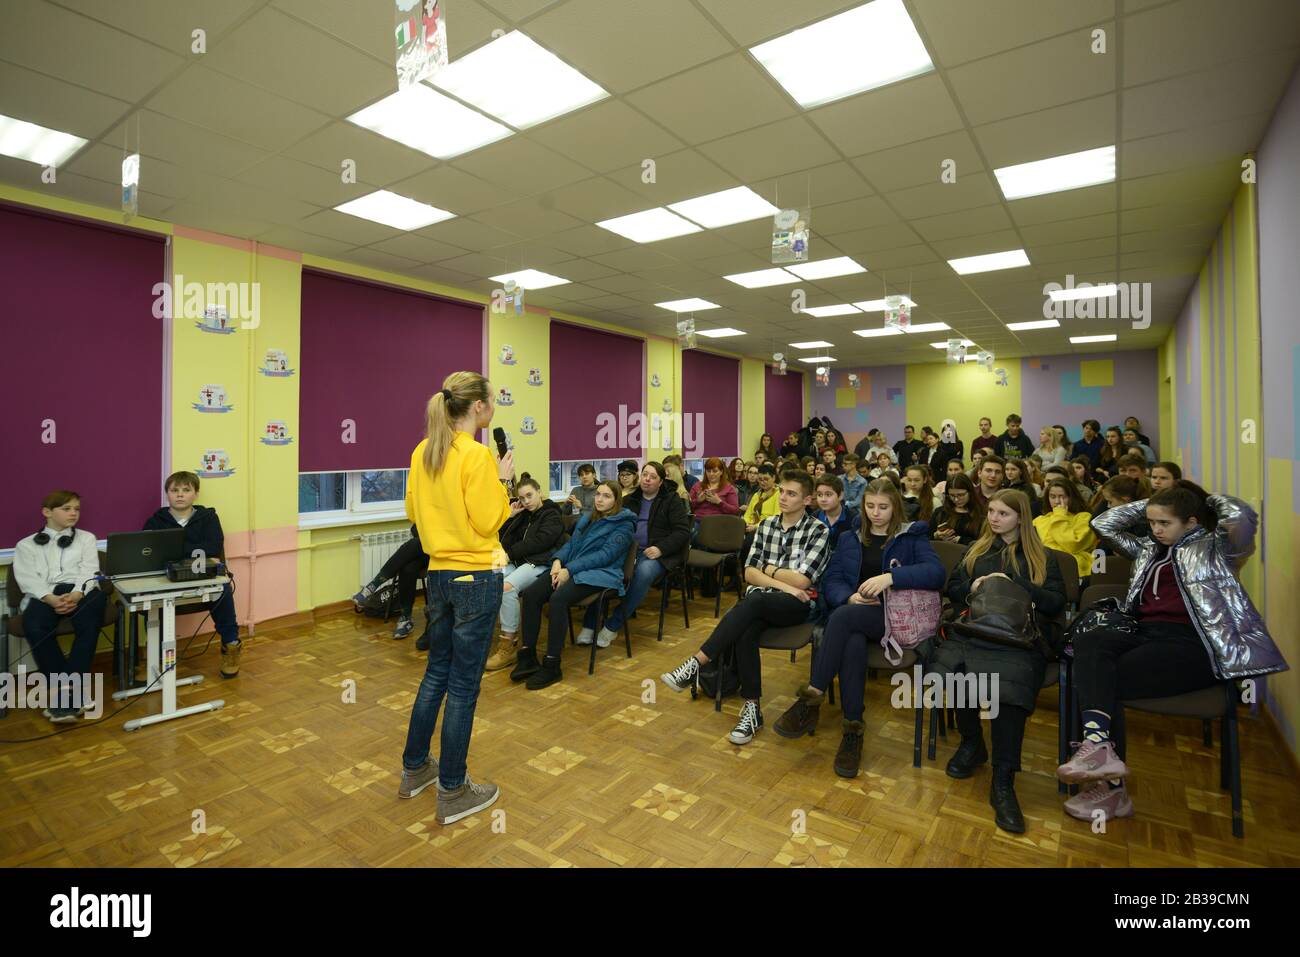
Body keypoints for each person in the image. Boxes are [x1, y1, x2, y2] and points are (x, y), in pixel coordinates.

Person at [1059, 483, 1288, 822]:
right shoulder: (1147, 549)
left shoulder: (1216, 549)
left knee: (1101, 683)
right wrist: (1153, 506)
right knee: (1090, 643)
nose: (1156, 530)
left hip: (1194, 645)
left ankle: (1111, 790)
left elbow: (1241, 516)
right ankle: (1100, 750)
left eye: (1164, 523)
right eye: (1152, 523)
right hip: (1145, 633)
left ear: (1192, 521)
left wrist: (1196, 500)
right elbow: (1103, 524)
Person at [399, 373, 513, 825]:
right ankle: (453, 789)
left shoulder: (422, 451)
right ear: (480, 407)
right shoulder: (478, 454)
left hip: (438, 574)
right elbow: (487, 521)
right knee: (464, 687)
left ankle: (414, 770)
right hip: (474, 576)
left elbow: (413, 513)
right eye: (494, 399)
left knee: (436, 676)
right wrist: (502, 483)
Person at [773, 479, 945, 776]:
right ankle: (853, 730)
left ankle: (812, 696)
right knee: (850, 635)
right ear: (862, 507)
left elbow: (935, 573)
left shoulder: (911, 535)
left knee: (842, 618)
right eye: (870, 506)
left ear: (895, 507)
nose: (876, 513)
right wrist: (848, 596)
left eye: (883, 507)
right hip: (857, 616)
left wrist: (892, 578)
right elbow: (832, 580)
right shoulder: (850, 538)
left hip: (894, 619)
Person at [660, 470, 831, 745]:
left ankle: (696, 663)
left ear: (808, 499)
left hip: (796, 607)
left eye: (791, 494)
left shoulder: (818, 530)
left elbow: (803, 579)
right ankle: (752, 710)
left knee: (752, 602)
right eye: (782, 491)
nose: (783, 497)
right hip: (768, 599)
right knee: (746, 627)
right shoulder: (766, 526)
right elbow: (748, 574)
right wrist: (785, 583)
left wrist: (771, 573)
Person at [932, 490, 1067, 833]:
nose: (994, 518)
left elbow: (1055, 603)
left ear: (1021, 518)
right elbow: (953, 588)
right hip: (976, 629)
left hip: (1019, 637)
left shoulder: (1042, 557)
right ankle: (972, 742)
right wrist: (973, 585)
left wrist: (1016, 586)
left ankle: (1003, 778)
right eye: (991, 511)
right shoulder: (977, 550)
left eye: (1003, 513)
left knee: (1009, 685)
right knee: (956, 668)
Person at [510, 481, 635, 688]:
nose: (600, 499)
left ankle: (552, 665)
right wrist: (558, 560)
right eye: (598, 494)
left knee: (558, 600)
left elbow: (605, 556)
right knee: (532, 594)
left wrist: (570, 569)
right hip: (574, 569)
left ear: (616, 500)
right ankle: (528, 656)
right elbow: (571, 545)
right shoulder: (588, 518)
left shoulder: (624, 525)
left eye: (606, 496)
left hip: (602, 574)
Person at [12, 490, 107, 723]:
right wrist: (51, 598)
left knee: (90, 622)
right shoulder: (26, 545)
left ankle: (64, 697)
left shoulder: (86, 538)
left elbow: (89, 571)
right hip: (45, 594)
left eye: (76, 509)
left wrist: (76, 594)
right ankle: (72, 693)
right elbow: (27, 578)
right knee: (34, 626)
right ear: (47, 512)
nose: (73, 513)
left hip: (81, 590)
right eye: (66, 509)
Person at [576, 463, 691, 649]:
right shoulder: (630, 499)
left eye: (652, 477)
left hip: (657, 553)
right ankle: (590, 624)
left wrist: (661, 548)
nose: (647, 479)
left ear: (661, 481)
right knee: (602, 567)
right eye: (645, 474)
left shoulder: (671, 500)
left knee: (643, 572)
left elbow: (682, 532)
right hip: (627, 549)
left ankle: (613, 625)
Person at [145, 471, 244, 668]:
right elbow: (148, 552)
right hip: (167, 578)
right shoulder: (156, 520)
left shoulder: (208, 518)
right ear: (167, 494)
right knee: (148, 599)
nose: (180, 495)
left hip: (201, 575)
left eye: (186, 490)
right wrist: (192, 553)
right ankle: (158, 656)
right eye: (174, 490)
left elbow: (213, 548)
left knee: (223, 590)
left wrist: (176, 554)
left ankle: (231, 644)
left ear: (196, 494)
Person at [484, 477, 565, 672]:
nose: (526, 501)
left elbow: (541, 542)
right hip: (518, 562)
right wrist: (510, 517)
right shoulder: (523, 514)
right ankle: (482, 634)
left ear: (539, 492)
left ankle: (508, 646)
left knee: (506, 588)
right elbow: (502, 538)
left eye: (530, 495)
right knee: (489, 579)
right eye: (522, 498)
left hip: (540, 564)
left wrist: (509, 554)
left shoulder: (551, 514)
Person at [1032, 478, 1097, 579]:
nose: (1057, 501)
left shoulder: (1084, 517)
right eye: (1052, 497)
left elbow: (1073, 545)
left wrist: (1059, 515)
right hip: (1041, 570)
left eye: (1062, 497)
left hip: (1073, 572)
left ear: (1072, 497)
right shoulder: (1039, 520)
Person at [929, 473, 985, 546]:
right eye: (952, 495)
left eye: (961, 495)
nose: (956, 499)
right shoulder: (940, 512)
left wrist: (960, 540)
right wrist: (936, 535)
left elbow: (984, 543)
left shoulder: (981, 514)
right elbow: (926, 537)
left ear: (970, 492)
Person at [813, 474, 859, 550]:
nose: (823, 499)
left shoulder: (853, 518)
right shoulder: (814, 518)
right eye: (819, 495)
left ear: (840, 495)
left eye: (828, 494)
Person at [690, 457, 740, 523]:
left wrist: (719, 502)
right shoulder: (697, 486)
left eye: (715, 471)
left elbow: (735, 511)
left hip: (719, 524)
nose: (711, 474)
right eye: (708, 471)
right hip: (699, 522)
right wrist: (698, 501)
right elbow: (688, 507)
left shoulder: (729, 488)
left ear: (721, 472)